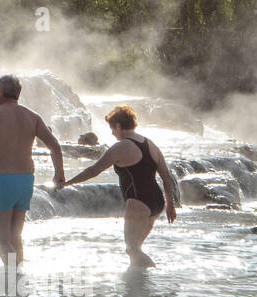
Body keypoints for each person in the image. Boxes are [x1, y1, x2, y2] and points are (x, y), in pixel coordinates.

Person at [60, 105, 178, 268]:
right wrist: (170, 205)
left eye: (112, 129)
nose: (112, 133)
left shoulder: (122, 147)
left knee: (133, 251)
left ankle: (158, 276)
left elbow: (94, 170)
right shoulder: (151, 144)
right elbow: (166, 177)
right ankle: (142, 289)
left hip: (139, 201)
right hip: (157, 202)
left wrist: (68, 183)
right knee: (136, 251)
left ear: (118, 126)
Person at [0, 75, 66, 267]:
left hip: (3, 181)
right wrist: (59, 174)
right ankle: (20, 285)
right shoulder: (32, 116)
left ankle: (13, 280)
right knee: (15, 236)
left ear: (1, 92)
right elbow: (54, 144)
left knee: (0, 240)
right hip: (26, 180)